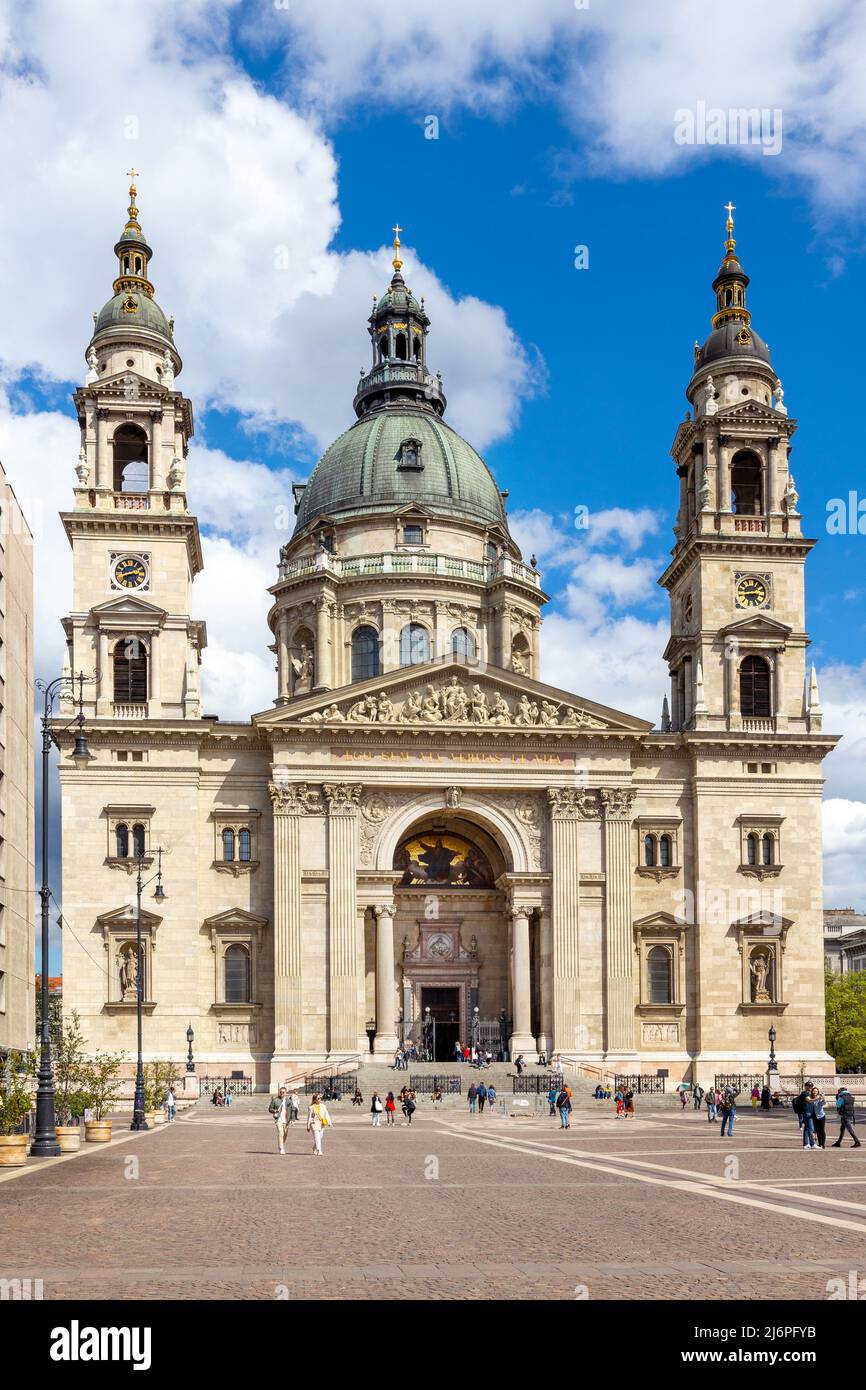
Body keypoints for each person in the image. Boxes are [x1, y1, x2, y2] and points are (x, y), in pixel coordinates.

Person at [269, 1087, 291, 1155]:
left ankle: (281, 1145)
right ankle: (281, 1148)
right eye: (281, 1092)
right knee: (281, 1133)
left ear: (286, 1093)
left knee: (285, 1134)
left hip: (286, 1120)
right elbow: (270, 1109)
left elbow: (292, 1111)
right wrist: (275, 1110)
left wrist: (292, 1119)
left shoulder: (288, 1101)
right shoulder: (275, 1100)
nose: (282, 1093)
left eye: (283, 1092)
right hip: (278, 1119)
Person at [811, 1086, 827, 1151]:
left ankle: (823, 1144)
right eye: (814, 1091)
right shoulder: (810, 1098)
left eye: (816, 1091)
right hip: (814, 1116)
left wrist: (823, 1098)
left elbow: (824, 1103)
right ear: (812, 1092)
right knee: (817, 1131)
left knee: (822, 1130)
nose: (815, 1092)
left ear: (818, 1092)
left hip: (821, 1116)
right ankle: (819, 1144)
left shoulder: (819, 1098)